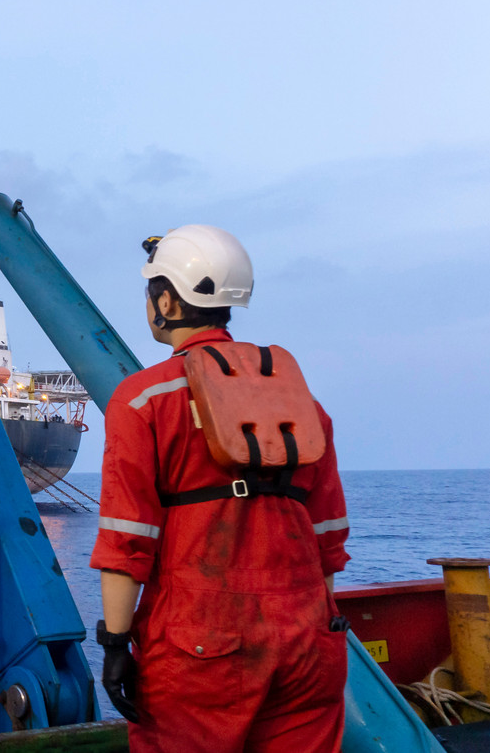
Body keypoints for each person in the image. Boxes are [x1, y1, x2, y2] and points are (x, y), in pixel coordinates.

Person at [89, 225, 350, 752]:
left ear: (166, 301)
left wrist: (115, 646)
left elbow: (125, 541)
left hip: (201, 645)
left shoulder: (142, 401)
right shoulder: (304, 407)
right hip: (309, 641)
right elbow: (327, 540)